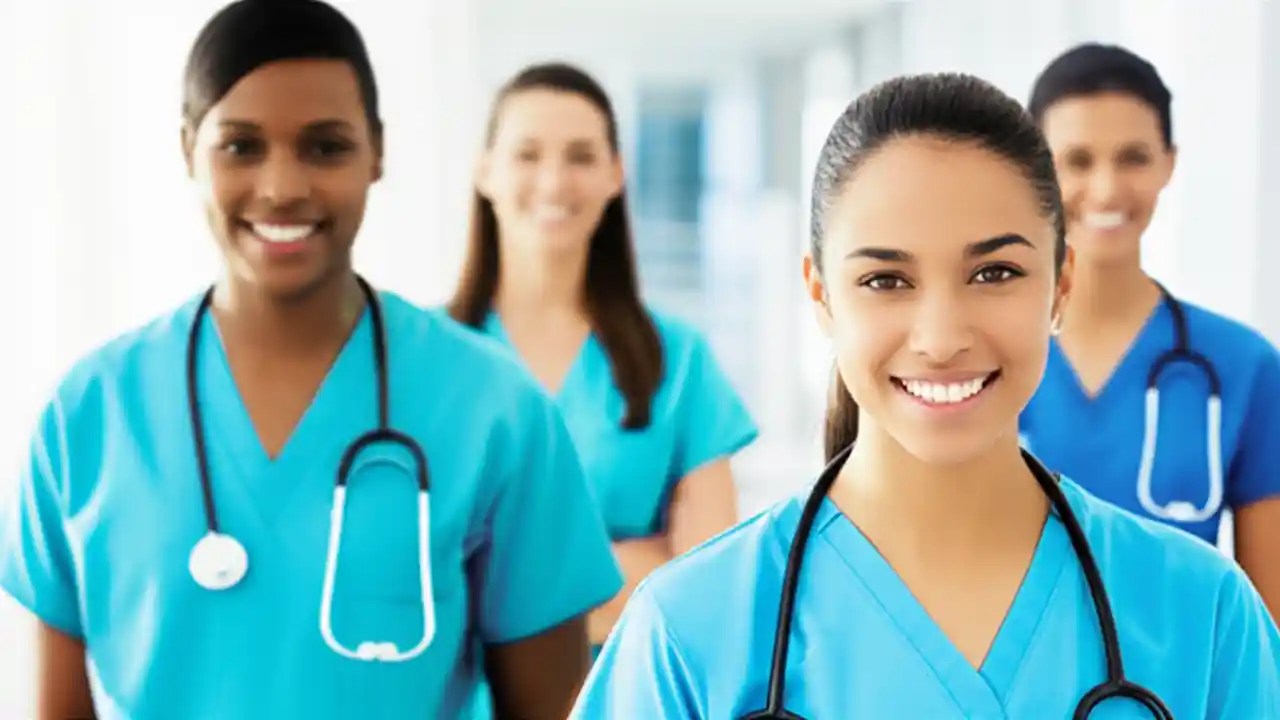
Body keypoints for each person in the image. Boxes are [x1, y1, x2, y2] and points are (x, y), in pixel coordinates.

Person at [570, 72, 1280, 718]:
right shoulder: (688, 632)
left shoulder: (1204, 616)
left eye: (994, 273)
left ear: (1061, 284)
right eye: (885, 281)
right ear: (821, 295)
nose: (940, 338)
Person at [0, 2, 622, 718]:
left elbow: (553, 709)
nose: (282, 187)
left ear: (377, 152)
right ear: (188, 150)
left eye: (325, 147)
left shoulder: (495, 411)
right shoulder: (87, 416)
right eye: (241, 146)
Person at [447, 62, 758, 652]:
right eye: (527, 154)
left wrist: (495, 579)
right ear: (485, 170)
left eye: (581, 157)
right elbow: (407, 587)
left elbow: (708, 592)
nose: (554, 181)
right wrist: (633, 568)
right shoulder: (422, 358)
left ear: (616, 174)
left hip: (628, 693)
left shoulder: (678, 361)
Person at [1021, 43, 1280, 615]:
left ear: (1169, 163)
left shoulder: (1245, 368)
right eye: (1078, 160)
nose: (1107, 189)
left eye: (1133, 158)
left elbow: (1270, 624)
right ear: (1035, 169)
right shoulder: (982, 358)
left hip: (1184, 672)